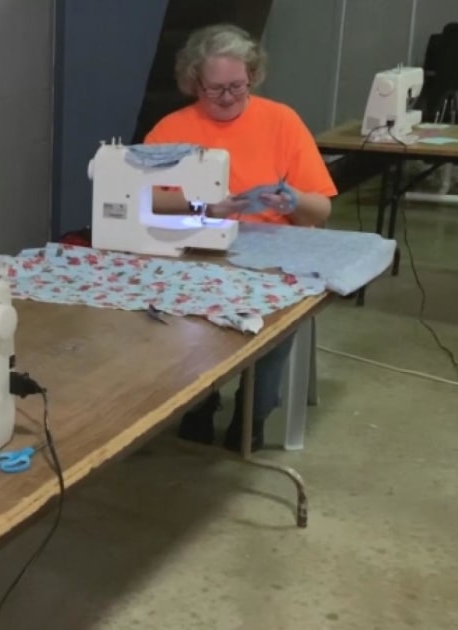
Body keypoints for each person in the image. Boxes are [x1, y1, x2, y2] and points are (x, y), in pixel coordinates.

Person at [144, 24, 337, 451]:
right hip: (197, 248)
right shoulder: (169, 130)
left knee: (275, 321)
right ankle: (197, 401)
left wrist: (293, 202)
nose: (229, 98)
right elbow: (151, 207)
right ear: (194, 83)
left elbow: (321, 208)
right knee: (177, 309)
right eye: (216, 90)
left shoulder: (281, 120)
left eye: (238, 86)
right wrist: (207, 210)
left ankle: (254, 411)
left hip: (273, 248)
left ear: (252, 75)